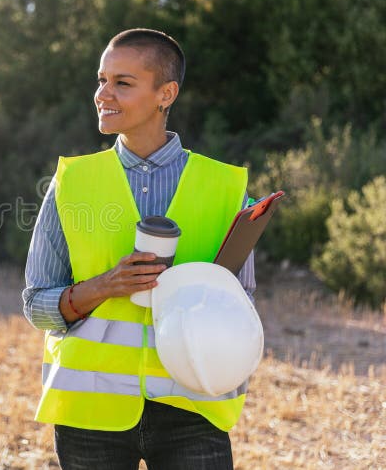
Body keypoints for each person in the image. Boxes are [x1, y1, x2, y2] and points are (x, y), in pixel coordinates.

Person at [22, 28, 257, 470]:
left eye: (122, 83)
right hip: (90, 410)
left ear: (165, 93)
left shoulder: (227, 188)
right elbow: (36, 304)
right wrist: (103, 287)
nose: (102, 93)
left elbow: (241, 307)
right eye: (101, 79)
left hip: (194, 406)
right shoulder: (71, 183)